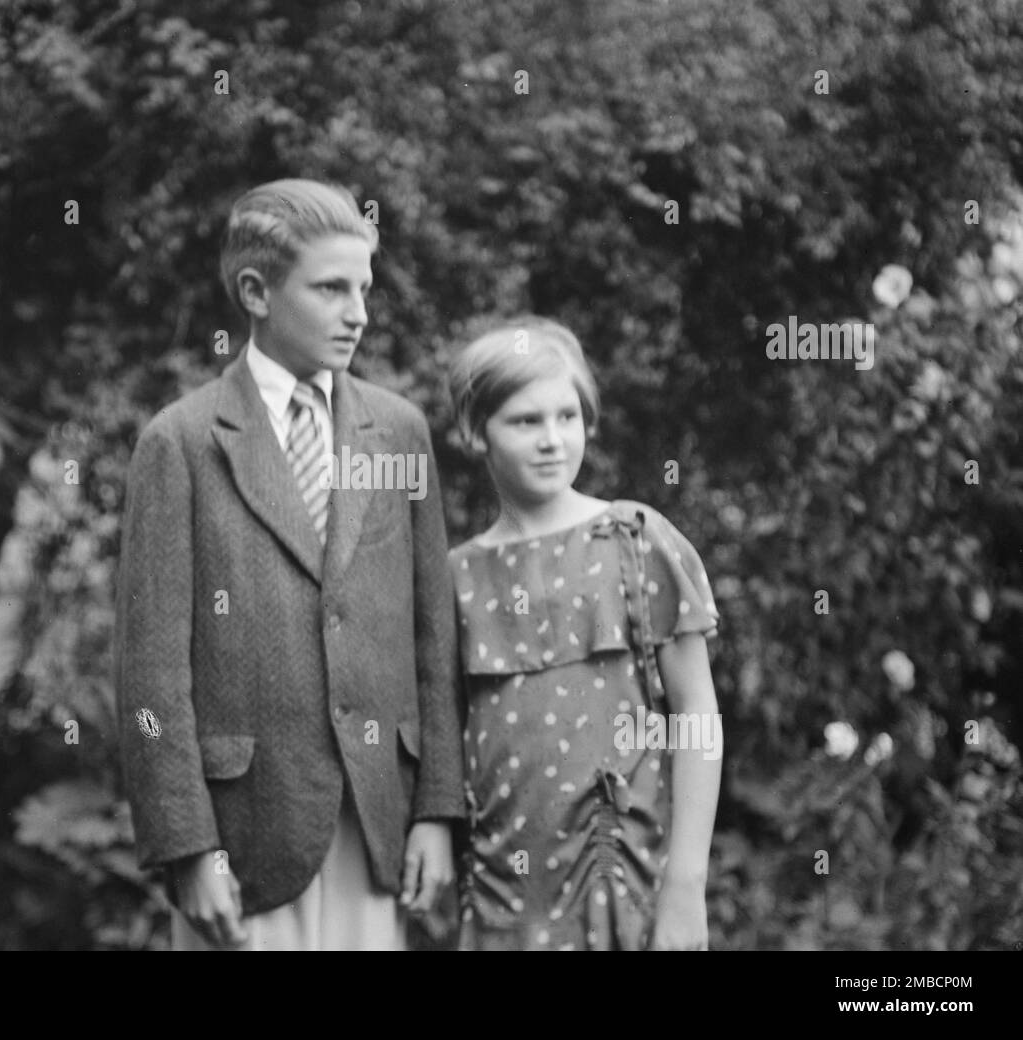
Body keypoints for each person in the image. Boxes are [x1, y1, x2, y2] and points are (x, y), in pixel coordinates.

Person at [114, 178, 465, 950]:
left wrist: (438, 809)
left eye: (365, 288)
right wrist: (187, 847)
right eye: (332, 288)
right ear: (256, 291)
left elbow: (433, 635)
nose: (359, 312)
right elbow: (151, 674)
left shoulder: (397, 433)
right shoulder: (183, 443)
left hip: (378, 819)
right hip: (243, 839)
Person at [446, 317, 722, 950]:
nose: (551, 440)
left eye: (566, 417)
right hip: (501, 896)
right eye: (525, 421)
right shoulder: (456, 576)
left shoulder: (635, 540)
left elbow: (697, 714)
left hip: (623, 878)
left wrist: (685, 885)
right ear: (474, 432)